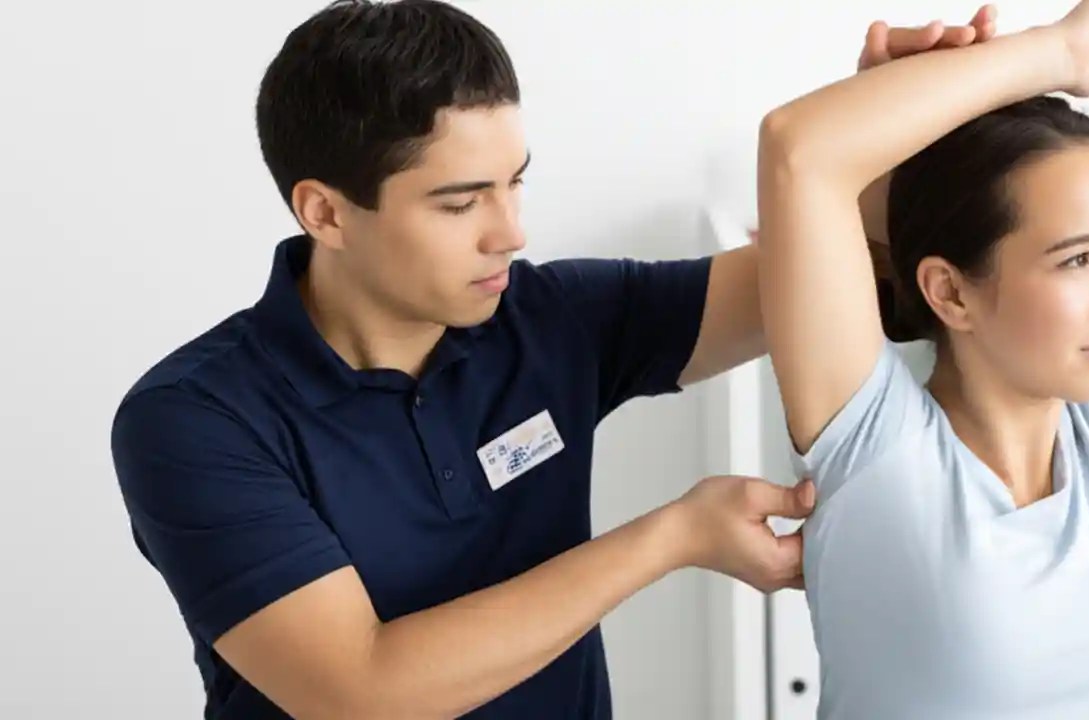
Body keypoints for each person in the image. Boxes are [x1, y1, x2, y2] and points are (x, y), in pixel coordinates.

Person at [108, 2, 989, 718]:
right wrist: (671, 536)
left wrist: (870, 140)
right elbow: (359, 690)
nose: (511, 231)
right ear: (326, 213)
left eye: (514, 181)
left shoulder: (549, 317)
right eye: (460, 203)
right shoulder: (195, 419)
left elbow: (827, 265)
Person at [755, 0, 1089, 717]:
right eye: (1077, 259)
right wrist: (1059, 52)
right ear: (950, 293)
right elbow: (797, 149)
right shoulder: (879, 457)